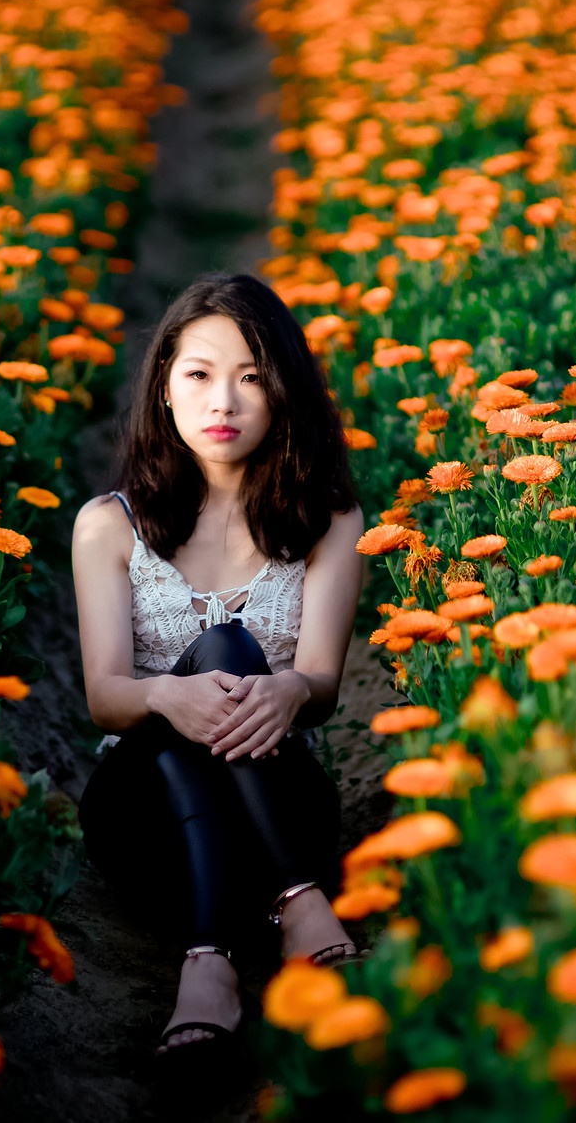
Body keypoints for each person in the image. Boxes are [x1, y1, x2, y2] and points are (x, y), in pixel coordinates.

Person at [72, 271, 366, 1066]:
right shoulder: (108, 526)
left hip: (280, 795)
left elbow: (323, 686)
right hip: (147, 817)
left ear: (283, 393)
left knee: (230, 656)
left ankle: (209, 964)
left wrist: (289, 688)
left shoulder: (328, 521)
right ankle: (298, 904)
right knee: (188, 698)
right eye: (199, 375)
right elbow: (106, 699)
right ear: (164, 390)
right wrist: (168, 695)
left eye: (251, 378)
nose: (223, 402)